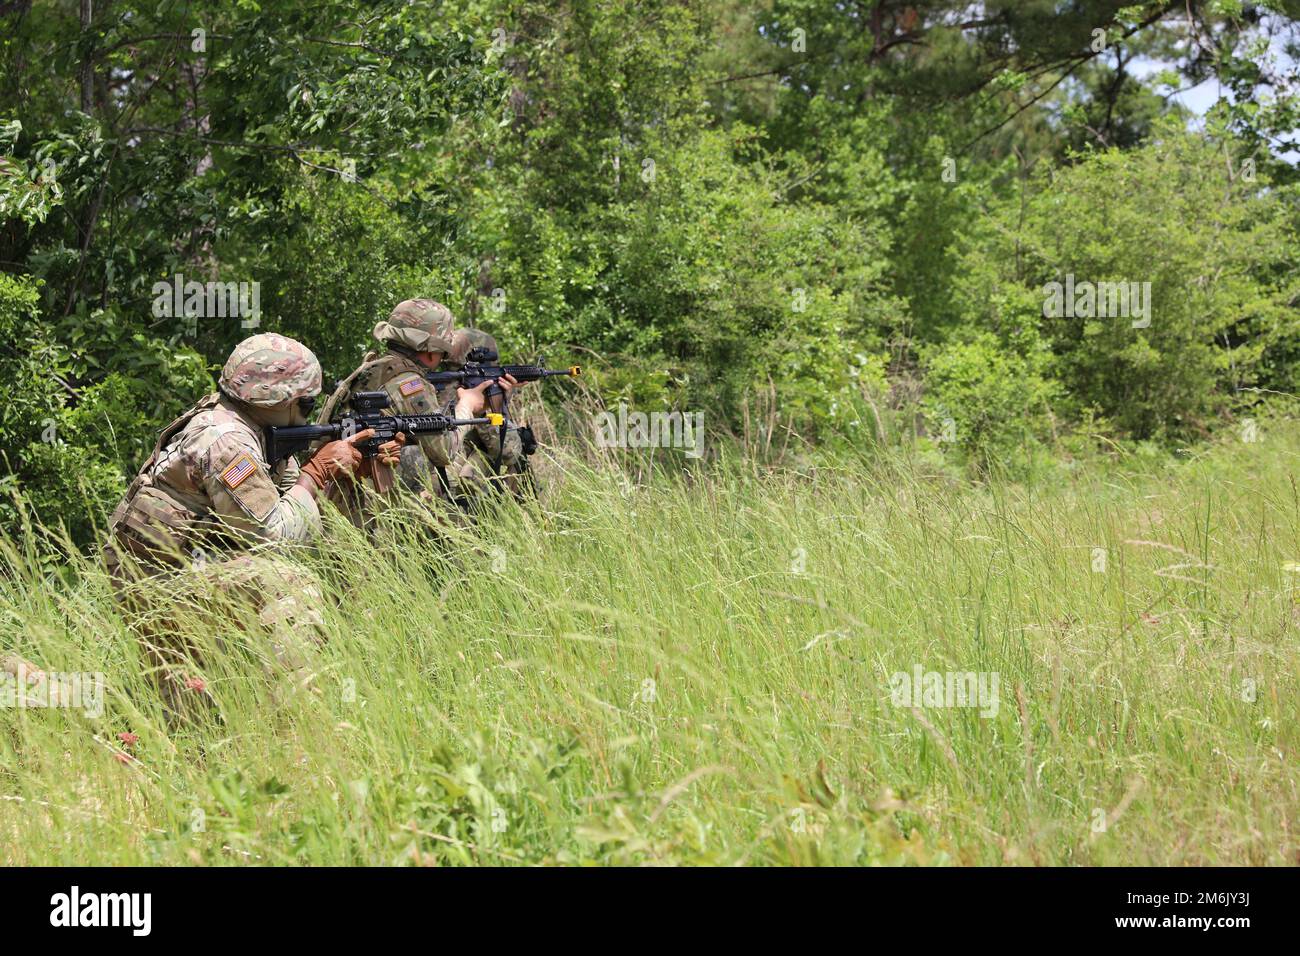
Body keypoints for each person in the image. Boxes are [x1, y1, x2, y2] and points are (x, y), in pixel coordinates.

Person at [102, 332, 396, 710]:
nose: (308, 410)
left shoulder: (245, 426)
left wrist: (345, 469)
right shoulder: (227, 442)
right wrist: (318, 471)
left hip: (181, 569)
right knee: (289, 582)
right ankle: (299, 717)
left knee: (194, 714)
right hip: (159, 584)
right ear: (280, 400)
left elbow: (295, 505)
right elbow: (274, 535)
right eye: (306, 403)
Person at [318, 299, 504, 518]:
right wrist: (467, 407)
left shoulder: (374, 367)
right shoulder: (410, 384)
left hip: (341, 489)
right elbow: (444, 452)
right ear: (431, 349)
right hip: (371, 505)